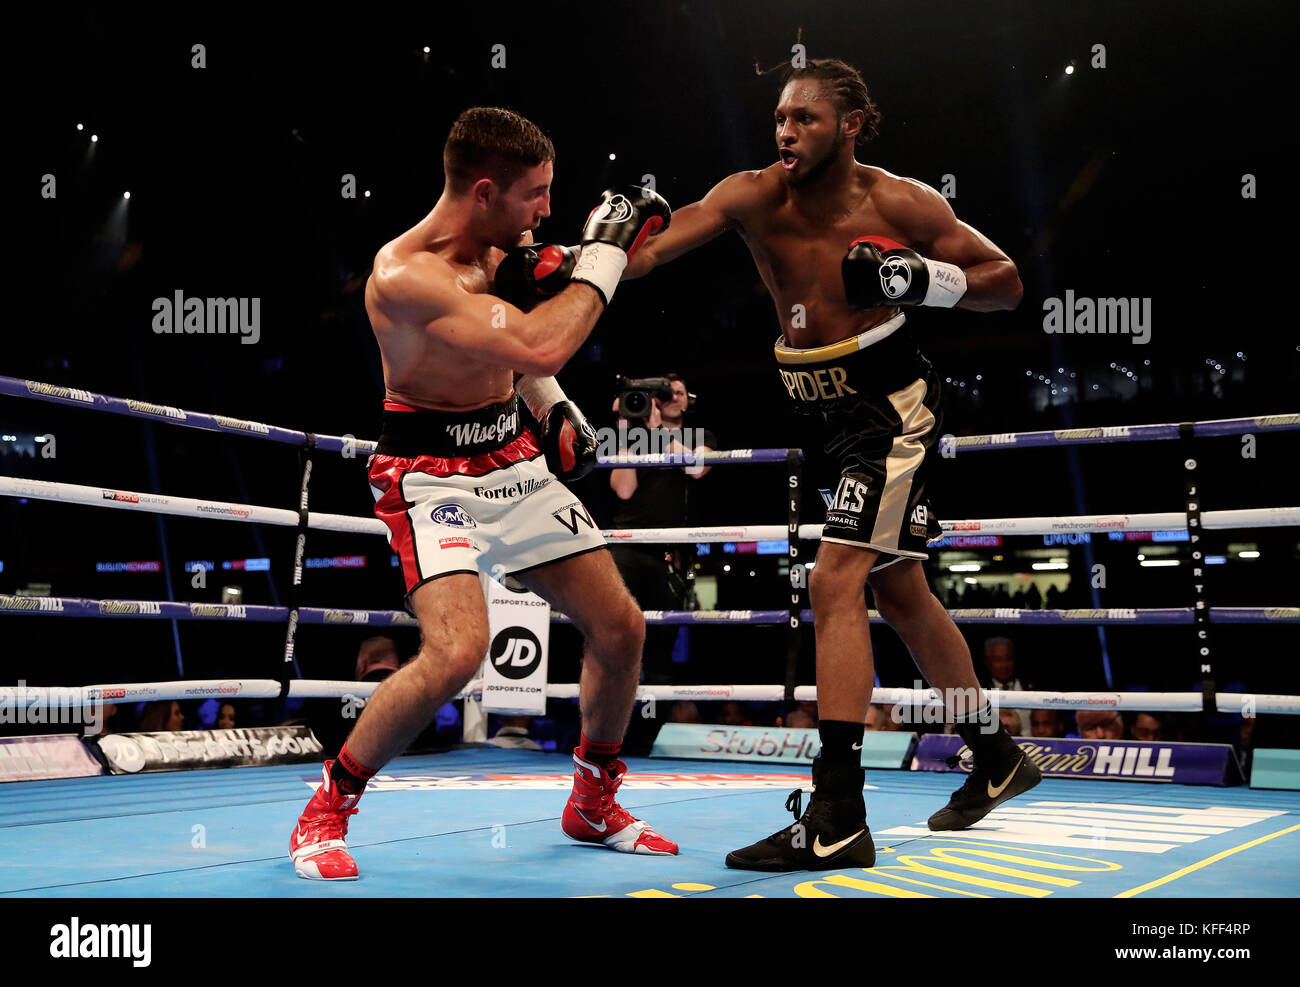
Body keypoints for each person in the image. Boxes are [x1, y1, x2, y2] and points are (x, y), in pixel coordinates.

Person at [623, 58, 1037, 871]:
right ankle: (993, 756)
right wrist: (594, 251)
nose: (784, 131)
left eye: (804, 119)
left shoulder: (899, 201)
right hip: (816, 411)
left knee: (833, 579)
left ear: (849, 125)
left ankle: (838, 810)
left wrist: (918, 279)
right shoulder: (749, 194)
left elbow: (1007, 283)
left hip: (893, 408)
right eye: (779, 117)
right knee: (901, 591)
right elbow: (652, 255)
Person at [289, 107, 677, 880]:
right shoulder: (405, 276)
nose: (546, 211)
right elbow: (539, 337)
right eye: (534, 195)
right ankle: (329, 803)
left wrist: (551, 405)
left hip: (512, 455)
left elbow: (523, 358)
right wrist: (601, 256)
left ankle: (594, 798)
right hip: (428, 474)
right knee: (458, 651)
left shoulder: (505, 244)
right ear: (485, 190)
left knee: (621, 626)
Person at [608, 374, 716, 682]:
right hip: (628, 545)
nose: (673, 397)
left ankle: (655, 715)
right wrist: (625, 428)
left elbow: (697, 468)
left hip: (670, 553)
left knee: (661, 641)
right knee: (618, 632)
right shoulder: (631, 437)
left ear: (688, 400)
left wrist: (656, 431)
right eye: (664, 394)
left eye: (678, 392)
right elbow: (623, 490)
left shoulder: (701, 436)